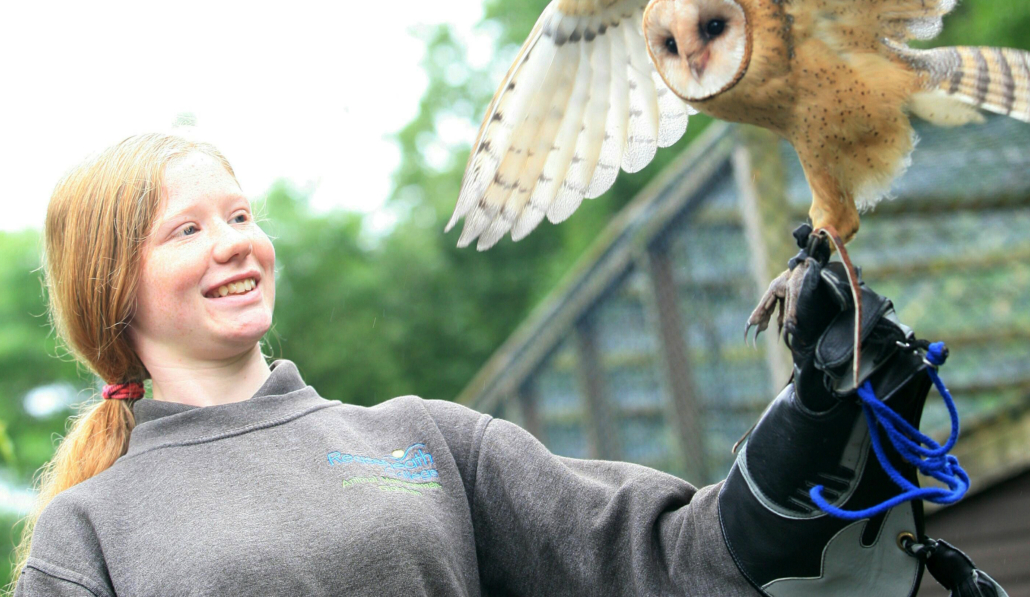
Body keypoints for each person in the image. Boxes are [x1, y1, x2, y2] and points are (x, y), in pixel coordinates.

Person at [9, 132, 989, 596]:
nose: (234, 242)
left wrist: (818, 409)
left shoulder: (421, 438)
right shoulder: (89, 527)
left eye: (239, 214)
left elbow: (663, 556)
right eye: (188, 227)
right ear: (114, 287)